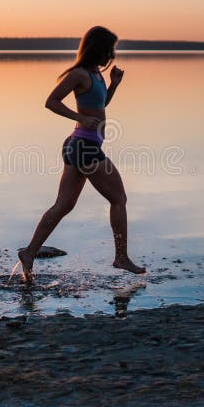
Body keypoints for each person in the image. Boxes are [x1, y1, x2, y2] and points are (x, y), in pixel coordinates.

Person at [15, 26, 146, 282]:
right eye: (110, 48)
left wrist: (114, 85)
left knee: (63, 205)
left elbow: (99, 105)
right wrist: (78, 117)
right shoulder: (79, 74)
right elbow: (51, 101)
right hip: (85, 148)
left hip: (79, 146)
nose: (113, 54)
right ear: (98, 48)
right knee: (119, 198)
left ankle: (30, 252)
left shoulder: (96, 74)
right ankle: (121, 257)